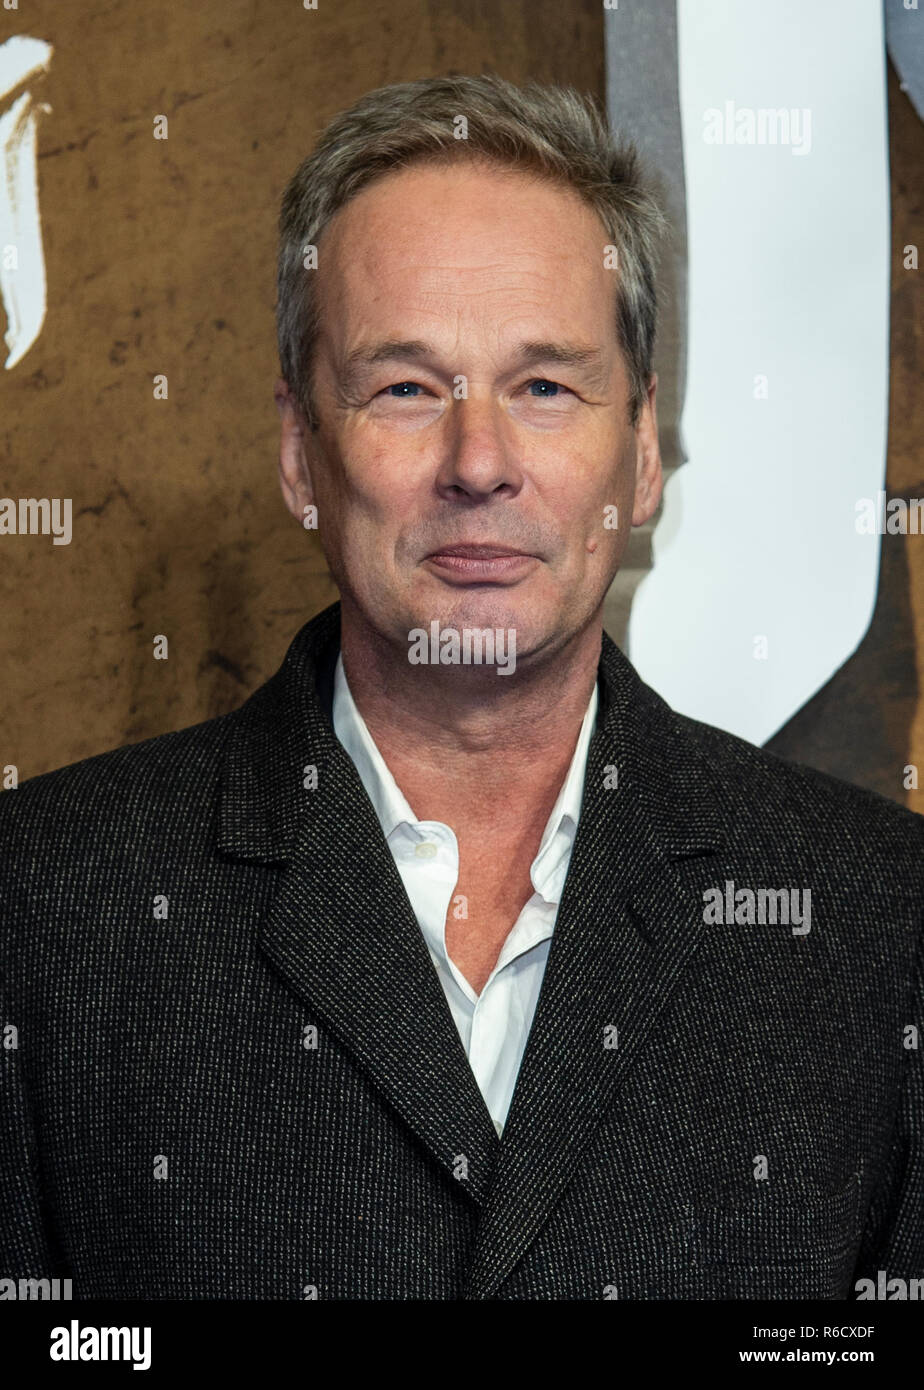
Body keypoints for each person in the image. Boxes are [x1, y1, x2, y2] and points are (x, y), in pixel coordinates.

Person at [1, 74, 921, 1302]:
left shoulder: (878, 921)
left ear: (643, 451)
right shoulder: (45, 911)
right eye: (405, 387)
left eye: (546, 386)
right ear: (298, 455)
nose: (478, 462)